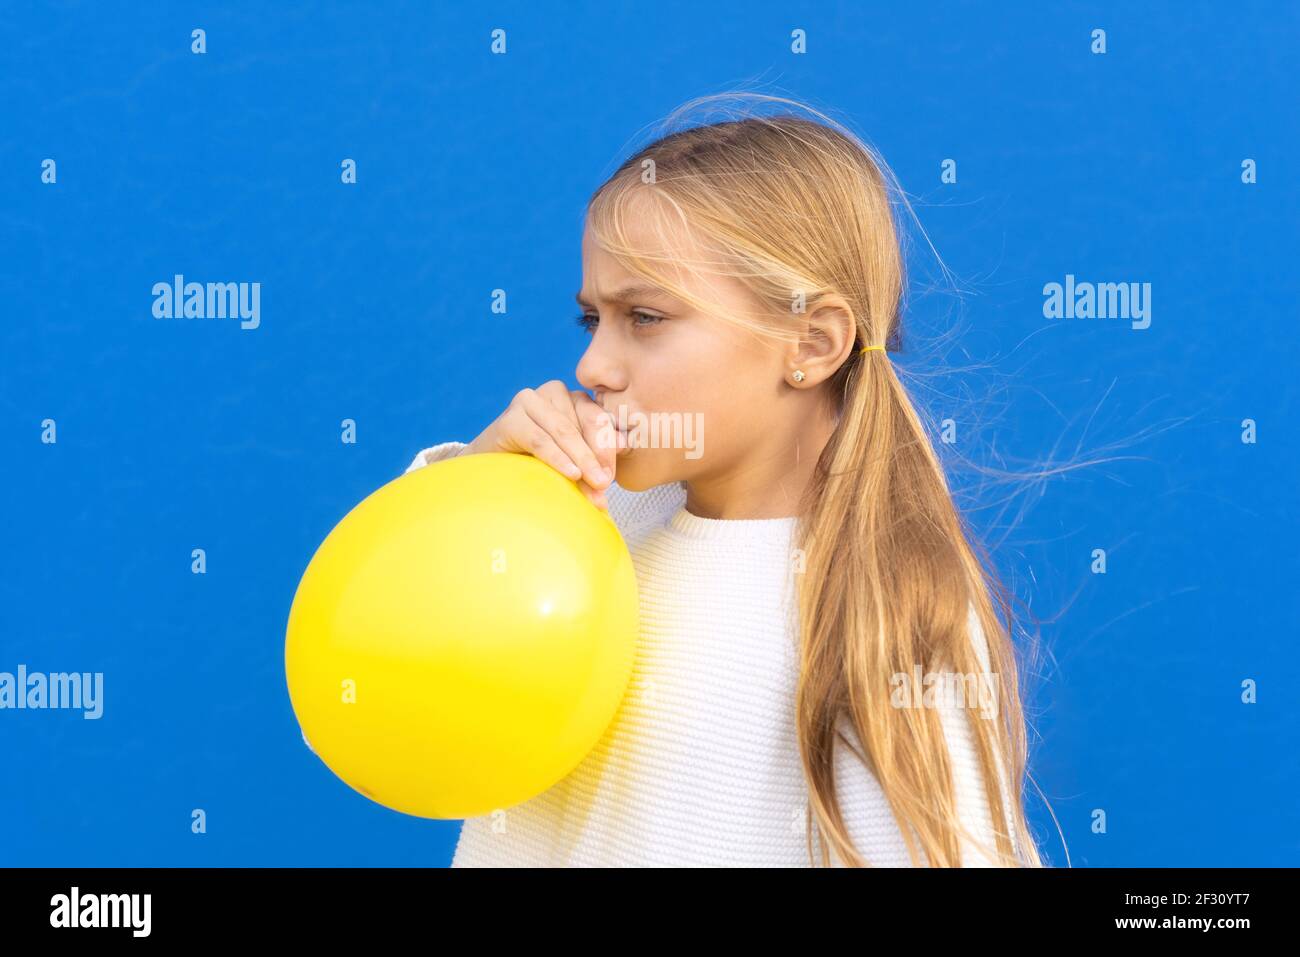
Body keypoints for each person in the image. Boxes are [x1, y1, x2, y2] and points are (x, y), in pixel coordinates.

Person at [406, 93, 1041, 867]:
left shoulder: (879, 609)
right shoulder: (587, 522)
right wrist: (480, 489)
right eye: (590, 320)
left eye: (644, 317)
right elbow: (400, 663)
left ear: (810, 342)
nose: (591, 367)